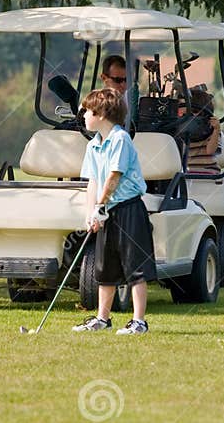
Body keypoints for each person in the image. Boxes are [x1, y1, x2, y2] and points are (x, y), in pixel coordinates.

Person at [72, 88, 156, 335]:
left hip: (129, 209)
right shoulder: (93, 146)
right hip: (106, 212)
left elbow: (113, 177)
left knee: (135, 267)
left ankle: (139, 321)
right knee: (105, 267)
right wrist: (91, 213)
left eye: (88, 111)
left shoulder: (120, 139)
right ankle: (102, 318)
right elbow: (93, 182)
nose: (84, 115)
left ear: (102, 114)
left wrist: (101, 206)